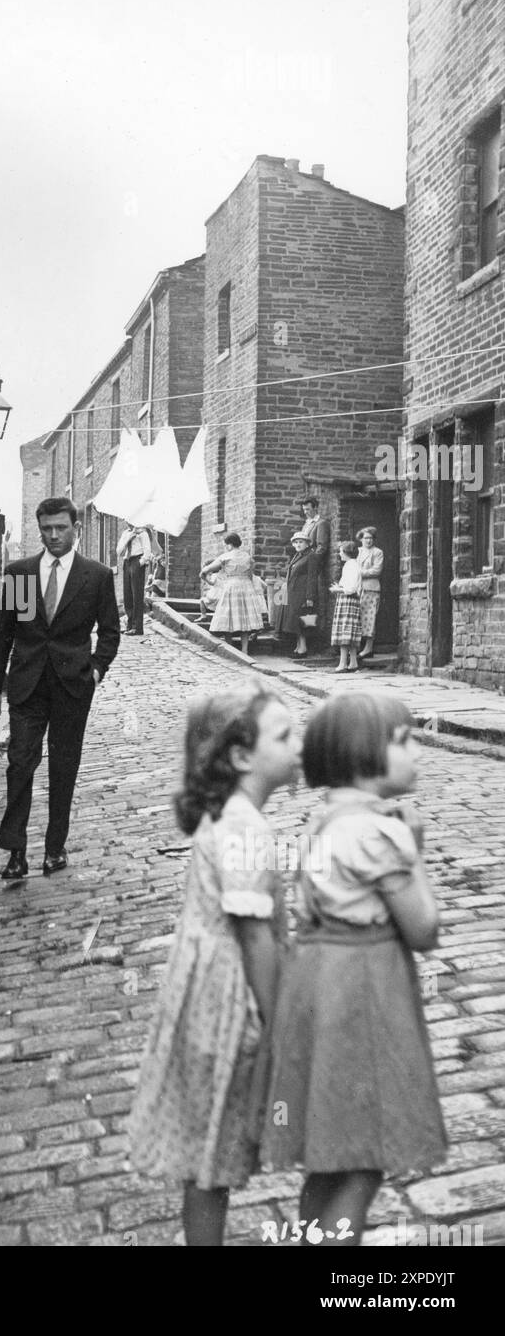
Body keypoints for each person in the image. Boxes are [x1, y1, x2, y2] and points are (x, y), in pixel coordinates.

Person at [261, 692, 445, 1244]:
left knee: (330, 1152)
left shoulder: (326, 821)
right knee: (365, 1153)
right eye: (406, 741)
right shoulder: (380, 834)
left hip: (318, 986)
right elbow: (424, 929)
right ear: (367, 755)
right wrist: (413, 851)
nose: (418, 751)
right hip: (364, 991)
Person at [128, 683, 301, 1246]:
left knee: (208, 1140)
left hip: (202, 994)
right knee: (213, 1148)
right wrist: (281, 1025)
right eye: (285, 735)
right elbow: (256, 940)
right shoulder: (246, 827)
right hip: (225, 1004)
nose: (297, 745)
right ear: (242, 755)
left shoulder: (228, 814)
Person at [0, 496, 120, 880]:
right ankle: (15, 852)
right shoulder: (21, 574)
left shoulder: (95, 576)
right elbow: (5, 633)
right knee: (19, 765)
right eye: (47, 529)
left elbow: (109, 633)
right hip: (27, 685)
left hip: (72, 687)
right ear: (40, 529)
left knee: (64, 767)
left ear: (76, 529)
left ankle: (54, 849)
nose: (54, 536)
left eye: (61, 528)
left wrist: (95, 670)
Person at [200, 532, 264, 656]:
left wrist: (206, 579)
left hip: (231, 587)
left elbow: (205, 571)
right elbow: (250, 576)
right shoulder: (248, 557)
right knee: (245, 618)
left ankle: (230, 647)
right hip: (246, 587)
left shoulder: (225, 556)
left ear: (229, 544)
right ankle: (244, 649)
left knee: (229, 616)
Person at [298, 495, 331, 644]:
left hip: (312, 568)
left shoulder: (321, 523)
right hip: (303, 566)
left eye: (308, 509)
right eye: (304, 509)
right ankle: (302, 640)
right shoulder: (306, 524)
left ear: (315, 508)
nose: (306, 512)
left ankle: (312, 640)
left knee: (311, 604)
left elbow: (321, 547)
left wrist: (310, 562)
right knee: (303, 604)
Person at [282, 531, 320, 658]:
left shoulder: (311, 556)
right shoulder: (297, 556)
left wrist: (310, 597)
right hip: (294, 593)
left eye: (301, 542)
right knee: (295, 620)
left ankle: (303, 648)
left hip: (303, 592)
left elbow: (312, 577)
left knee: (301, 620)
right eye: (296, 542)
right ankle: (298, 646)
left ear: (307, 544)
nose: (298, 544)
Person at [116, 523, 156, 635]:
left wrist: (140, 563)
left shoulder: (143, 533)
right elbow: (119, 551)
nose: (128, 522)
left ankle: (137, 627)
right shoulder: (125, 533)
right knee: (127, 595)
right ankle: (129, 626)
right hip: (126, 562)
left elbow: (147, 552)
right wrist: (129, 537)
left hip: (137, 562)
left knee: (137, 595)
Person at [329, 540, 362, 673]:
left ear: (347, 552)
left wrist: (337, 590)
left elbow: (351, 588)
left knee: (345, 632)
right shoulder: (350, 564)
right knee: (349, 632)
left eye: (341, 551)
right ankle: (353, 663)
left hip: (348, 600)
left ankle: (343, 664)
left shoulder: (351, 566)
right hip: (348, 600)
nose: (339, 554)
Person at [356, 527, 384, 660]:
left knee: (370, 617)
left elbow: (376, 570)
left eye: (370, 538)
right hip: (358, 588)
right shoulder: (358, 551)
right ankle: (356, 647)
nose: (368, 540)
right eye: (365, 538)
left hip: (371, 588)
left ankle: (368, 648)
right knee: (358, 617)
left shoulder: (377, 552)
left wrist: (359, 573)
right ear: (361, 539)